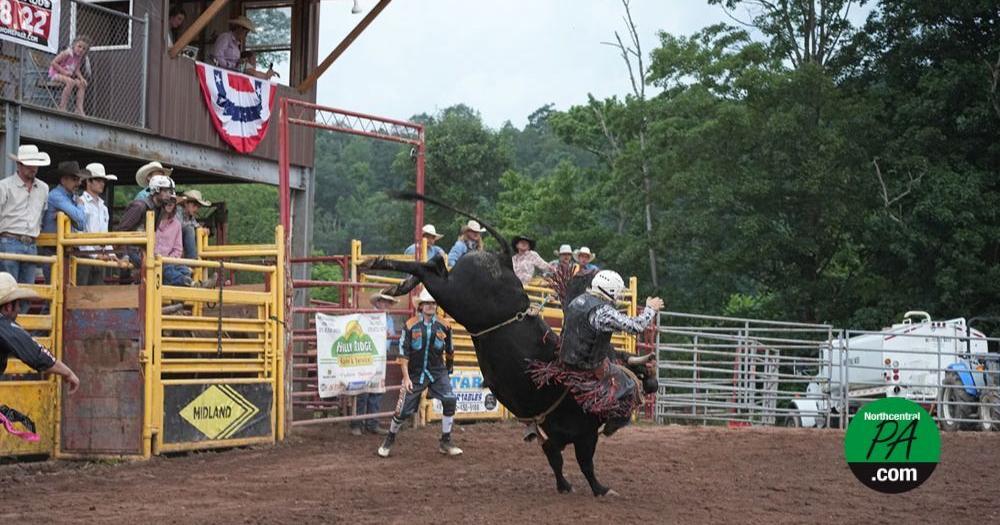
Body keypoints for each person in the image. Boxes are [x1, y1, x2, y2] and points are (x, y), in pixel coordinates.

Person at [551, 270, 663, 437]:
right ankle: (611, 422)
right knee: (630, 387)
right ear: (611, 291)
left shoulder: (577, 301)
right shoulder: (602, 311)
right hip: (587, 367)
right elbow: (636, 326)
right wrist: (650, 310)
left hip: (564, 361)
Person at [377, 288, 463, 458]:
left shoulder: (445, 326)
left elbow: (450, 350)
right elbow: (403, 353)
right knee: (402, 411)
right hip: (414, 373)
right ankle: (389, 439)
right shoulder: (410, 325)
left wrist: (448, 372)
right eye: (427, 303)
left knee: (450, 399)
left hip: (438, 371)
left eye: (433, 303)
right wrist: (406, 378)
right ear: (421, 306)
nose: (431, 306)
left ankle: (446, 441)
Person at [0, 272, 80, 392]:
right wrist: (68, 373)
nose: (19, 309)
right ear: (8, 307)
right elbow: (36, 354)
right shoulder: (4, 325)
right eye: (18, 304)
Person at [0, 145, 50, 284]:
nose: (33, 168)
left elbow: (42, 214)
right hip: (8, 240)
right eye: (29, 164)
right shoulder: (4, 186)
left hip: (29, 242)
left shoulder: (43, 188)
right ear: (19, 164)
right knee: (7, 290)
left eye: (36, 164)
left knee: (26, 290)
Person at [351, 292, 398, 436]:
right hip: (368, 357)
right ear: (377, 303)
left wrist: (392, 336)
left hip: (380, 357)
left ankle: (371, 424)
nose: (386, 305)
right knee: (364, 391)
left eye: (388, 302)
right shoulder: (369, 316)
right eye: (383, 302)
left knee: (376, 391)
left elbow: (393, 337)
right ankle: (359, 424)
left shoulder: (389, 319)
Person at [78, 163, 118, 285]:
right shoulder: (81, 203)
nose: (102, 183)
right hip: (84, 255)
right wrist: (96, 256)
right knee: (81, 293)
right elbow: (79, 233)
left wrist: (111, 254)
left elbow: (105, 234)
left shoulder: (103, 207)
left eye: (103, 181)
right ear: (88, 182)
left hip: (99, 255)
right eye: (98, 180)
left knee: (96, 295)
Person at [48, 36, 92, 115]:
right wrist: (64, 72)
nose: (81, 49)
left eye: (84, 48)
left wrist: (82, 78)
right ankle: (62, 106)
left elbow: (76, 70)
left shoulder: (79, 57)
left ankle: (79, 109)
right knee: (71, 82)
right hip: (55, 74)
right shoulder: (67, 53)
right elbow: (53, 63)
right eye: (79, 46)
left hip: (67, 77)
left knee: (82, 84)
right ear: (74, 45)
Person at [42, 161, 89, 234]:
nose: (78, 183)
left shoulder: (71, 196)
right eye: (74, 179)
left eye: (78, 179)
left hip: (63, 243)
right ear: (63, 180)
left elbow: (82, 225)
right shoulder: (56, 196)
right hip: (51, 243)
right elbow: (80, 217)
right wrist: (80, 205)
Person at [156, 196, 194, 286]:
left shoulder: (176, 224)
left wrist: (169, 260)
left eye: (172, 202)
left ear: (175, 205)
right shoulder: (151, 220)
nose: (170, 204)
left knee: (184, 270)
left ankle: (181, 292)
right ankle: (191, 283)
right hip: (154, 260)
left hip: (169, 261)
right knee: (170, 270)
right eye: (167, 201)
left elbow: (178, 249)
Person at [178, 189, 211, 260]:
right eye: (194, 206)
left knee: (192, 230)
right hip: (170, 244)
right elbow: (178, 227)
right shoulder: (177, 211)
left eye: (198, 207)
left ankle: (195, 258)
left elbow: (197, 226)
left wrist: (203, 230)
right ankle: (192, 259)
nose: (196, 209)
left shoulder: (190, 217)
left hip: (178, 246)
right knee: (189, 229)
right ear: (186, 203)